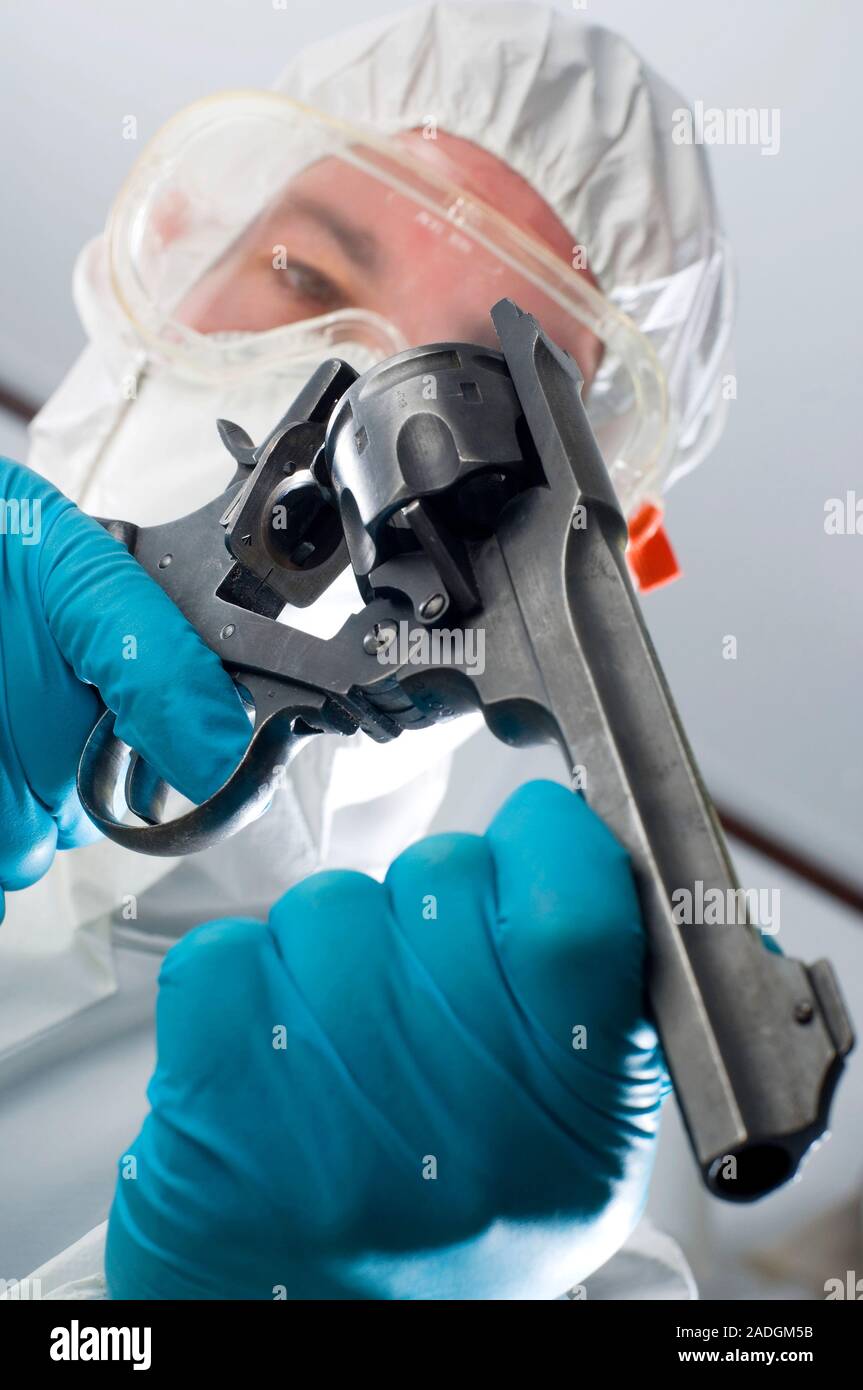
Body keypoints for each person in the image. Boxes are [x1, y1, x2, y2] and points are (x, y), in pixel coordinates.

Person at [1, 1, 732, 1297]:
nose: (349, 413)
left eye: (468, 415)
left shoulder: (494, 1179)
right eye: (304, 279)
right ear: (175, 251)